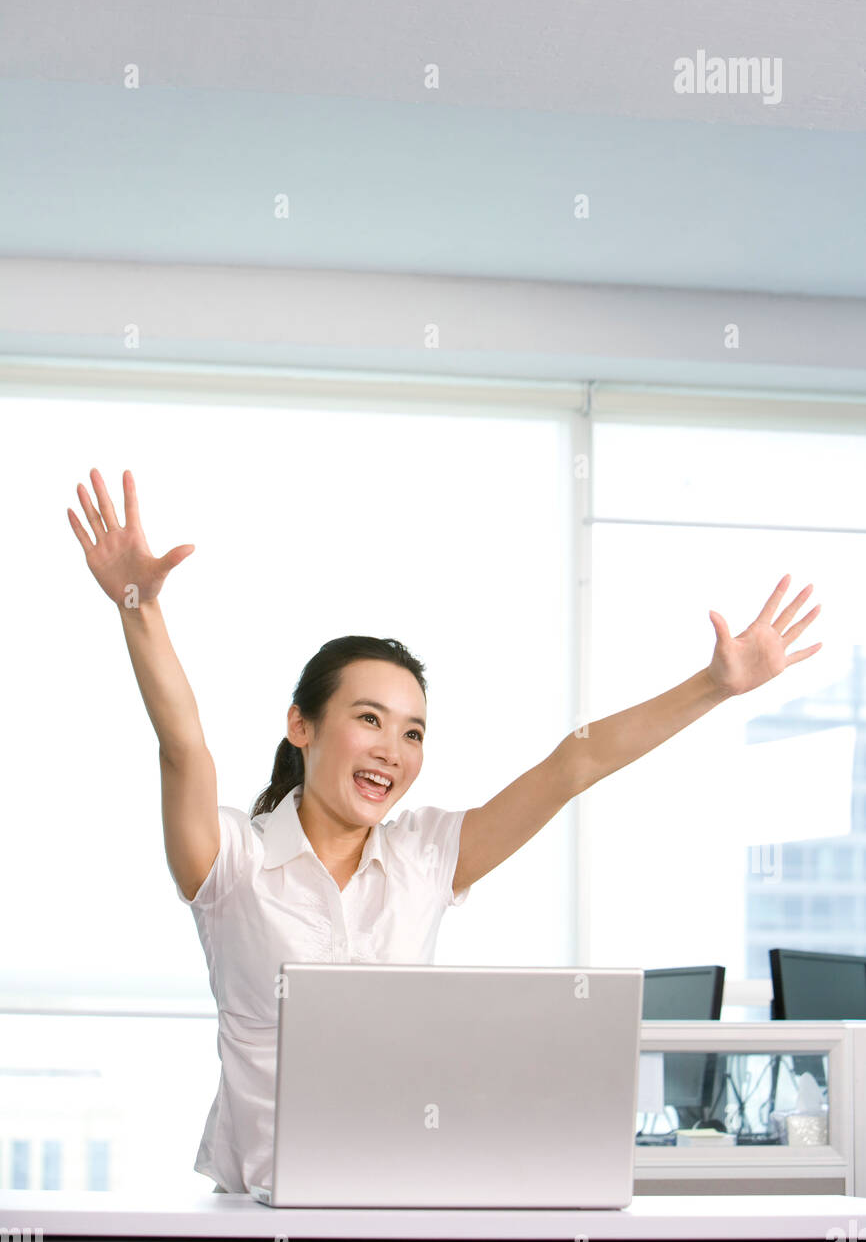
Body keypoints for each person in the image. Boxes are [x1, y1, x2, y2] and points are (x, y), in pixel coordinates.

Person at [68, 467, 823, 1194]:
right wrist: (138, 603)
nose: (393, 752)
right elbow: (184, 745)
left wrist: (716, 686)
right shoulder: (230, 862)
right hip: (260, 1215)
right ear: (301, 724)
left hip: (406, 1195)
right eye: (369, 720)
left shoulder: (427, 856)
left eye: (414, 733)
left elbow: (572, 766)